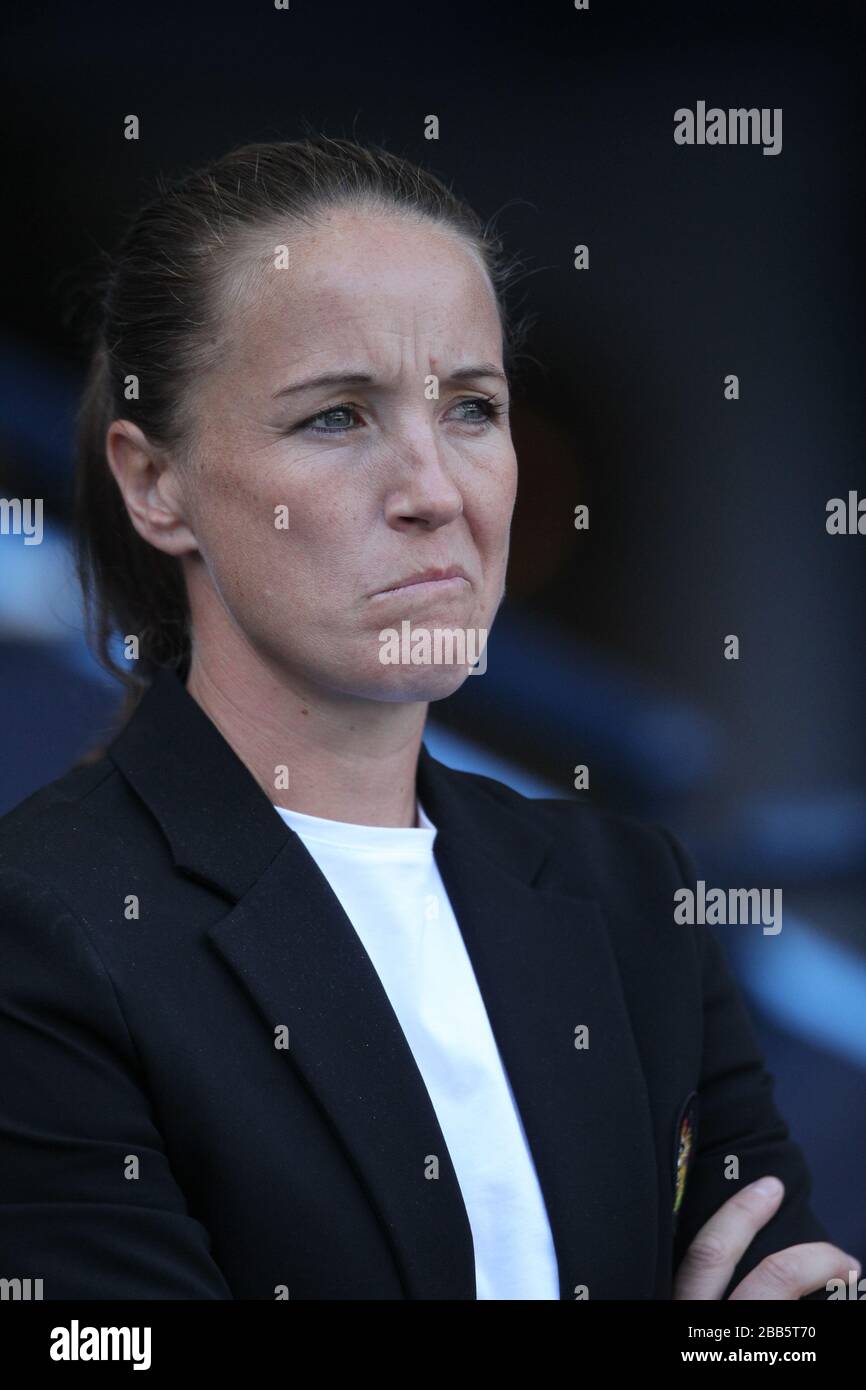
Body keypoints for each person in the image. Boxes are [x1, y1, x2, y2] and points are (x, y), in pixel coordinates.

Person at [0, 136, 856, 1300]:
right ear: (156, 484)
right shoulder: (43, 922)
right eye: (336, 417)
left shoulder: (625, 890)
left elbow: (793, 1303)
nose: (435, 491)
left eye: (470, 408)